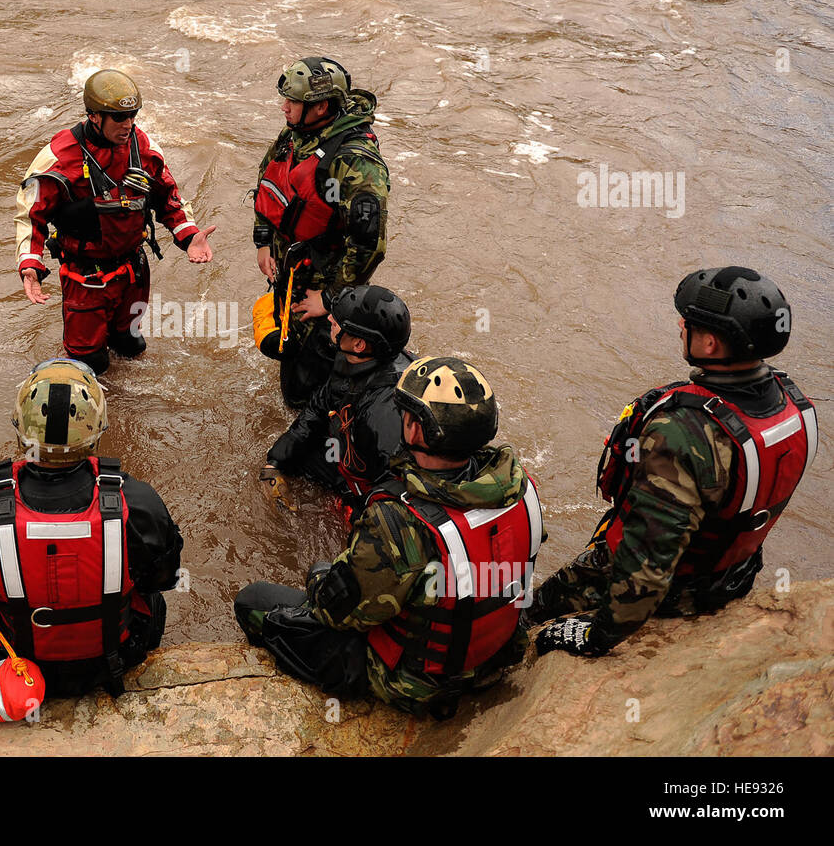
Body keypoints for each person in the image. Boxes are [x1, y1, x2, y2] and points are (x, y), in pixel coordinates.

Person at [530, 267, 817, 657]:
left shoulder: (682, 433)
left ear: (711, 344)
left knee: (529, 611)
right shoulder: (797, 405)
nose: (682, 325)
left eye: (691, 322)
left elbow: (646, 572)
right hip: (736, 577)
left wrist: (595, 636)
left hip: (677, 593)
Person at [236, 356, 544, 719]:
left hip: (419, 684)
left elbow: (339, 612)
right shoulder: (522, 487)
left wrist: (320, 575)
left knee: (253, 601)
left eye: (404, 413)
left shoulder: (398, 517)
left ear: (414, 429)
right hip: (500, 654)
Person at [0, 358, 184, 696]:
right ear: (98, 428)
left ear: (21, 429)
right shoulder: (135, 499)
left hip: (16, 664)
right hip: (114, 661)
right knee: (150, 598)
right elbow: (164, 580)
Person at [15, 69, 217, 374]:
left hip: (132, 273)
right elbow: (31, 213)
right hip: (86, 277)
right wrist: (30, 265)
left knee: (130, 345)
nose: (128, 125)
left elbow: (167, 198)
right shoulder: (59, 156)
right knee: (89, 362)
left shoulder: (142, 147)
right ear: (95, 116)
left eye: (132, 116)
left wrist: (189, 237)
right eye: (119, 118)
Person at [253, 55, 389, 408]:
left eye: (292, 102)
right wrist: (263, 241)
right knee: (289, 367)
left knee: (312, 388)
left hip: (325, 284)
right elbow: (269, 180)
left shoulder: (356, 162)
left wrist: (329, 299)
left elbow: (369, 245)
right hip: (290, 270)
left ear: (320, 107)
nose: (283, 108)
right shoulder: (297, 135)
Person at [260, 285, 413, 495]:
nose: (330, 319)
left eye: (338, 321)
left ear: (359, 344)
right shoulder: (352, 357)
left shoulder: (384, 408)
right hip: (356, 447)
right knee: (288, 461)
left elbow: (385, 481)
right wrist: (276, 461)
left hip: (371, 474)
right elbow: (318, 408)